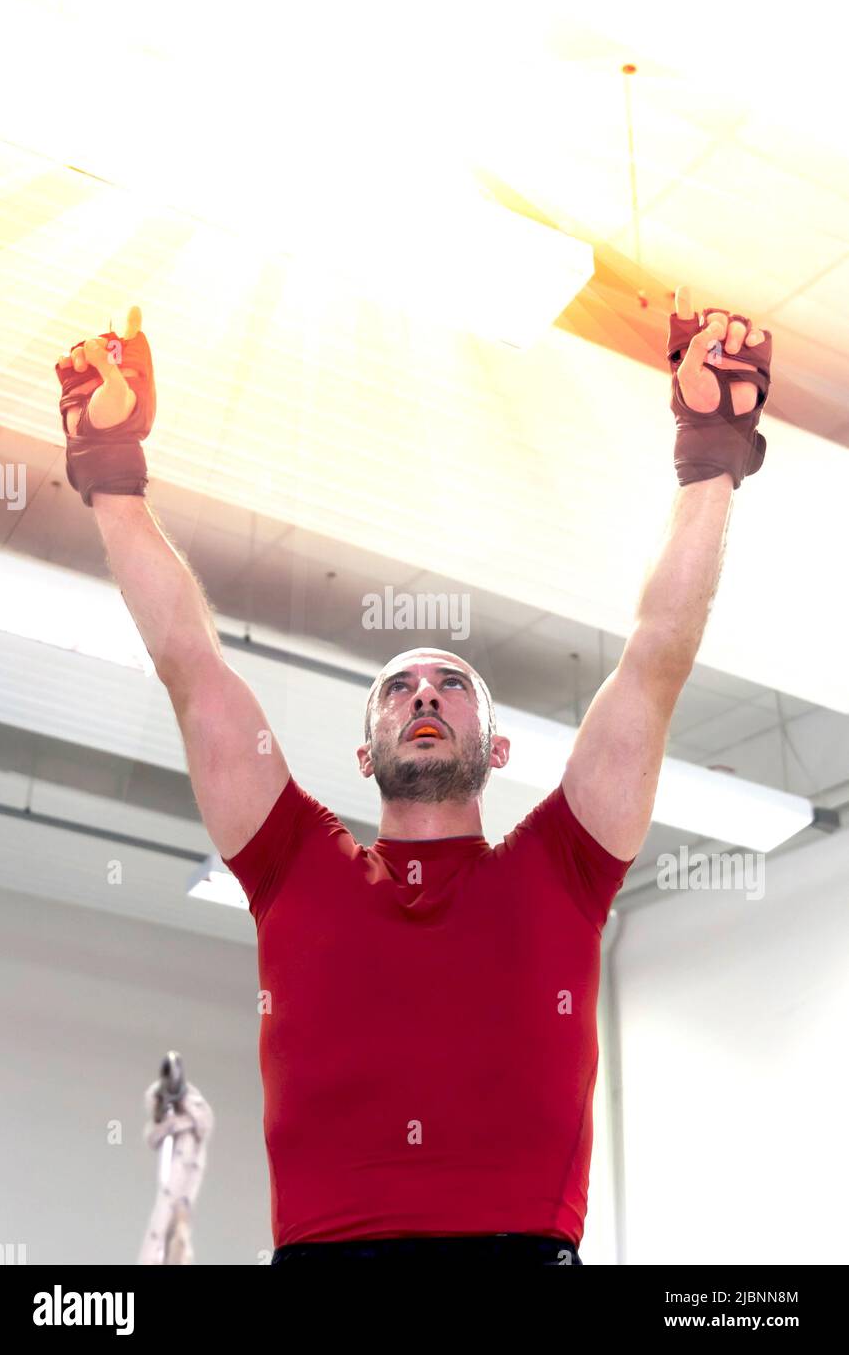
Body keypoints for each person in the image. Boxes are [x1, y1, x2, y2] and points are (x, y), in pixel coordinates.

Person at [54, 289, 771, 1266]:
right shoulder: (289, 861)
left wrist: (711, 456)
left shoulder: (564, 863)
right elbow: (189, 662)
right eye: (397, 688)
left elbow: (653, 659)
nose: (422, 694)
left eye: (448, 686)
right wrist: (113, 478)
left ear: (497, 744)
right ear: (364, 753)